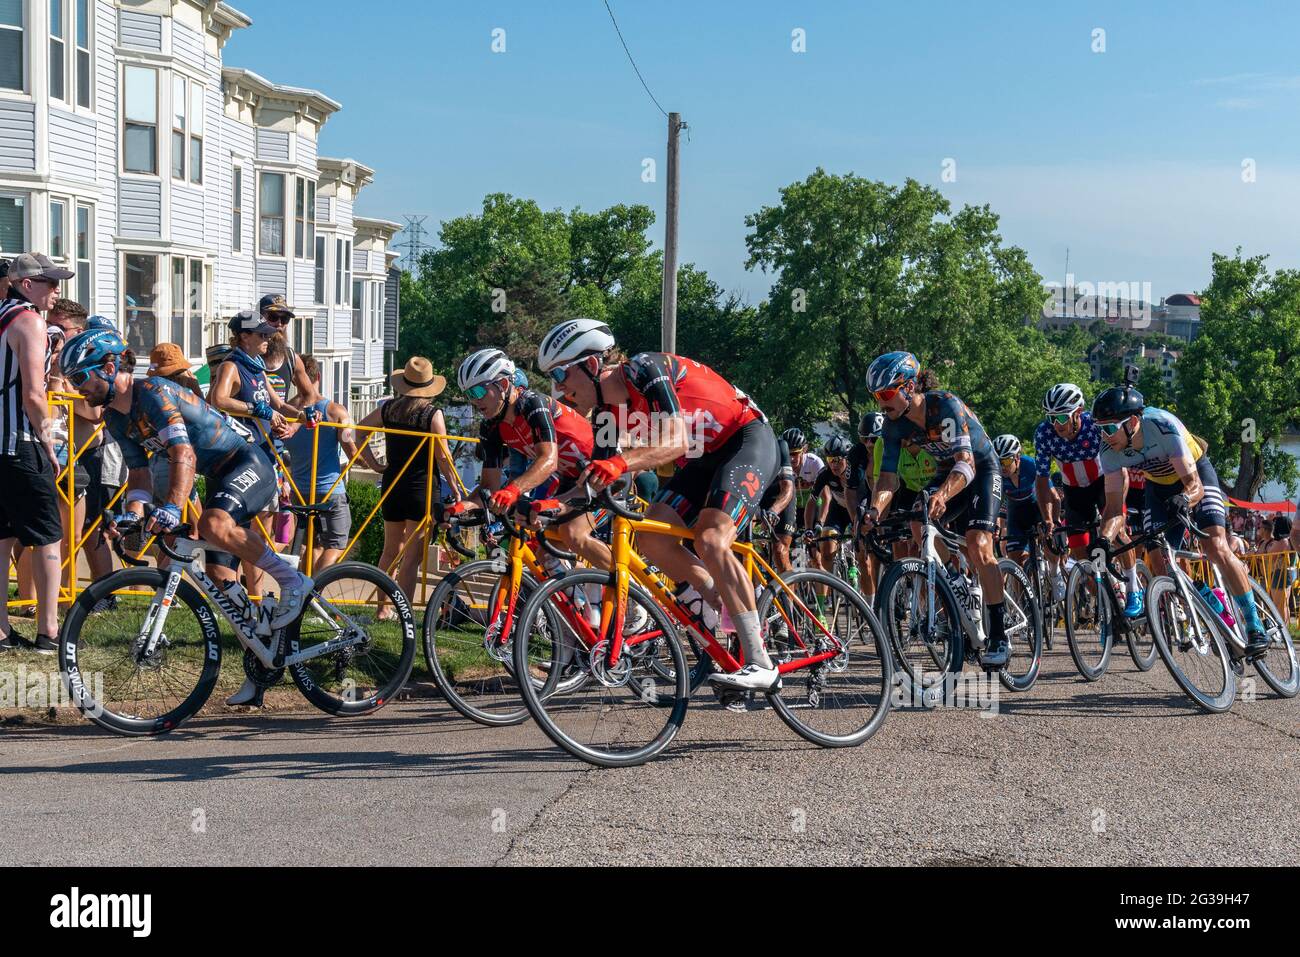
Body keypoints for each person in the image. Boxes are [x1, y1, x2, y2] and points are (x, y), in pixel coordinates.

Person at [60, 325, 315, 705]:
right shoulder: (114, 416)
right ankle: (262, 664)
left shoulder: (153, 392)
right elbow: (140, 474)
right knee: (221, 578)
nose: (76, 387)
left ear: (110, 367)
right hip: (220, 476)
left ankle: (292, 580)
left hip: (247, 462)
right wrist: (133, 514)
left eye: (80, 377)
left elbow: (184, 454)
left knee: (213, 524)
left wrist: (171, 508)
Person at [538, 317, 781, 692]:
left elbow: (676, 441)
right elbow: (597, 483)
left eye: (561, 376)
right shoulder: (606, 413)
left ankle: (760, 661)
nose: (559, 391)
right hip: (705, 457)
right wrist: (552, 505)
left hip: (745, 438)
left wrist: (620, 461)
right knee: (651, 538)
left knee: (711, 539)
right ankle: (722, 602)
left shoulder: (644, 369)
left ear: (590, 365)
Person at [1092, 384, 1269, 656]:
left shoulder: (1162, 426)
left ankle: (1254, 625)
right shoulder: (1109, 450)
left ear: (1134, 422)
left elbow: (1194, 485)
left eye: (1110, 428)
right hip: (1159, 488)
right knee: (1161, 565)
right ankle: (1214, 607)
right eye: (1100, 428)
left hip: (1195, 476)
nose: (1105, 436)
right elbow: (1115, 509)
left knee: (1215, 546)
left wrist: (1185, 500)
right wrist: (1103, 539)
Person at [859, 351, 1011, 666]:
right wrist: (873, 511)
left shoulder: (945, 406)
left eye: (886, 394)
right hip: (947, 471)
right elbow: (887, 479)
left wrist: (942, 494)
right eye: (876, 396)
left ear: (909, 387)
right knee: (918, 518)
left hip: (980, 468)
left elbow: (966, 464)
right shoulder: (893, 425)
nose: (881, 403)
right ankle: (955, 579)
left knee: (979, 543)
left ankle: (999, 635)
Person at [448, 348, 611, 571]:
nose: (474, 401)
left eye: (477, 392)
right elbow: (488, 487)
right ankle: (581, 605)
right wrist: (460, 508)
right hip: (571, 480)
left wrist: (512, 490)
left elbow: (548, 460)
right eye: (469, 395)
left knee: (573, 534)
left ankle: (634, 597)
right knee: (544, 554)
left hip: (604, 471)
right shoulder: (491, 426)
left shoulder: (533, 404)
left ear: (503, 385)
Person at [0, 254, 72, 654]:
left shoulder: (2, 315)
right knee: (48, 538)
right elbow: (33, 393)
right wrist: (50, 438)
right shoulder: (29, 322)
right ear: (26, 285)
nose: (56, 290)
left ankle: (2, 632)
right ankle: (49, 630)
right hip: (19, 443)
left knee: (3, 539)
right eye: (50, 282)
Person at [357, 356, 462, 615]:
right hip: (422, 488)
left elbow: (359, 430)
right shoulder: (431, 414)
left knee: (390, 550)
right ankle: (404, 612)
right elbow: (443, 457)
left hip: (392, 483)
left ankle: (382, 609)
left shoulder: (388, 408)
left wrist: (373, 463)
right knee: (412, 557)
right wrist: (456, 487)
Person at [47, 302, 119, 593]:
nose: (52, 333)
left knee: (90, 530)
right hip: (60, 453)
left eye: (60, 328)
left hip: (88, 452)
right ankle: (57, 592)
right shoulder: (50, 359)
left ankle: (100, 595)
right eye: (48, 325)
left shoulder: (84, 363)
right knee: (56, 531)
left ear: (78, 331)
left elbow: (96, 412)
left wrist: (64, 392)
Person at [1032, 383, 1111, 607]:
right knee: (1078, 551)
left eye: (1062, 417)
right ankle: (1105, 605)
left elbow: (1118, 465)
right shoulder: (1044, 433)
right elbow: (1041, 479)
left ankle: (1131, 585)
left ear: (1078, 412)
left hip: (1102, 483)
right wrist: (1047, 518)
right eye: (1051, 417)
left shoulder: (1094, 426)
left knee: (1118, 530)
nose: (1056, 424)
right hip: (1074, 491)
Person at [283, 355, 359, 570]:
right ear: (318, 376)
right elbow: (352, 450)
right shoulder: (334, 411)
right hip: (329, 489)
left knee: (311, 545)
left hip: (300, 489)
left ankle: (300, 592)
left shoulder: (287, 411)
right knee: (337, 544)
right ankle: (316, 588)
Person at [258, 294, 319, 406]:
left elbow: (310, 395)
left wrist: (293, 423)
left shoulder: (292, 359)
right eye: (273, 317)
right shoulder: (245, 355)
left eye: (285, 319)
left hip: (277, 423)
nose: (279, 324)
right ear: (259, 318)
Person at [993, 434, 1038, 567]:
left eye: (1006, 461)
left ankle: (1055, 577)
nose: (1003, 467)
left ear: (1017, 457)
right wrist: (994, 525)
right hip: (1016, 514)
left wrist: (1050, 519)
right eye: (998, 462)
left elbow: (1048, 492)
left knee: (1050, 549)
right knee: (1016, 562)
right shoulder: (997, 474)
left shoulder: (1030, 465)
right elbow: (994, 501)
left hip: (1036, 508)